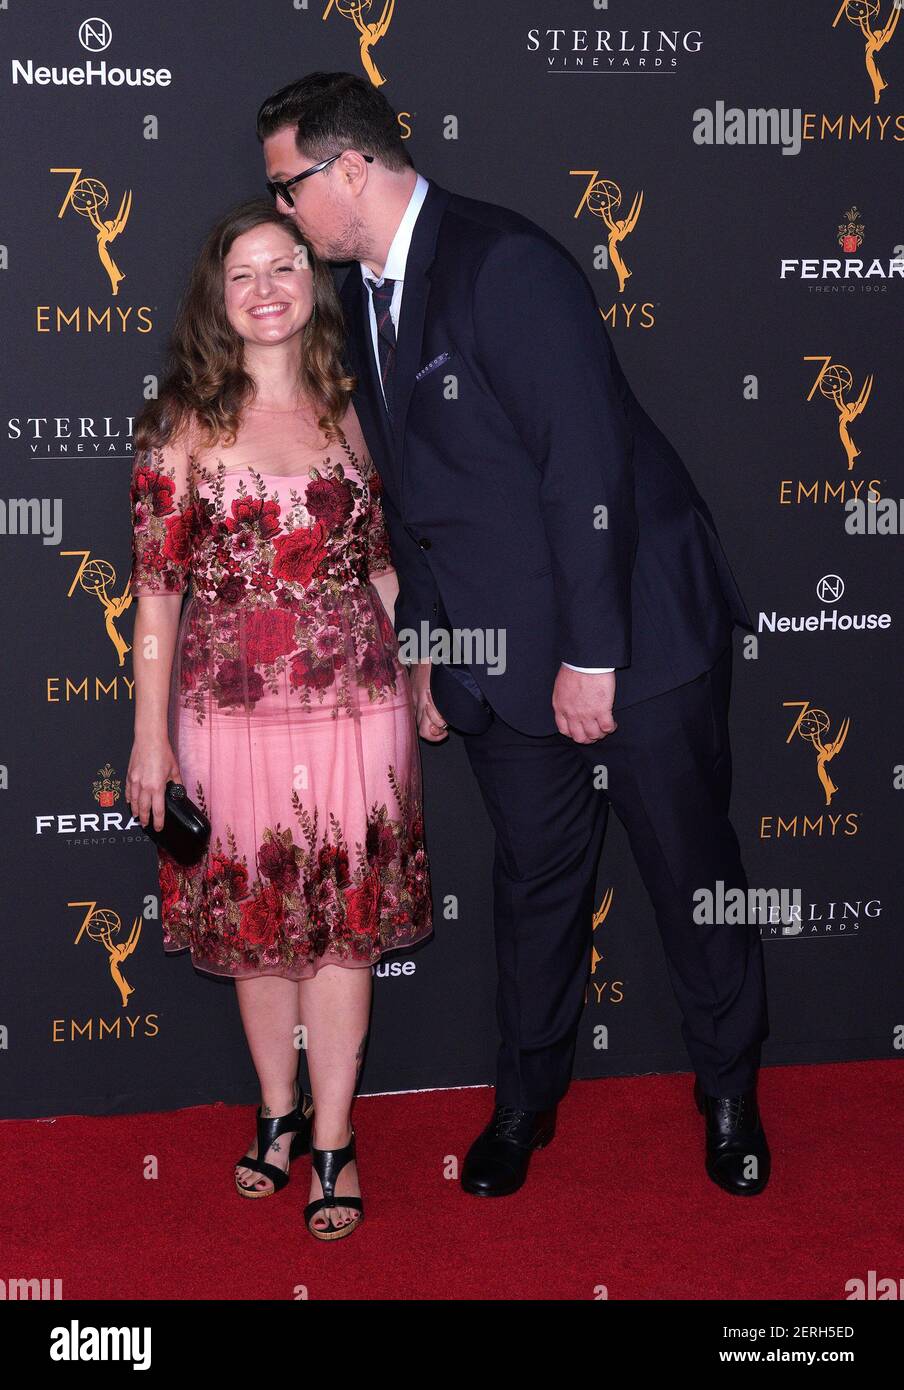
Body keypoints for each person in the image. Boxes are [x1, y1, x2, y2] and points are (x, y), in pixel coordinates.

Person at [256, 72, 771, 1199]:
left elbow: (585, 471)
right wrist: (433, 645)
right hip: (496, 654)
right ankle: (525, 1108)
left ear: (348, 170)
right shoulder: (368, 298)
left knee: (692, 874)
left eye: (288, 189)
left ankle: (728, 1092)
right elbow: (421, 503)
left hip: (629, 633)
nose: (283, 216)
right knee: (535, 886)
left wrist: (591, 655)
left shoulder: (506, 265)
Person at [126, 199, 432, 1241]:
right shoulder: (181, 423)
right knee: (262, 933)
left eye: (285, 268)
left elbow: (386, 565)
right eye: (244, 273)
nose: (266, 289)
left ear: (313, 285)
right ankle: (277, 1112)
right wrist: (149, 737)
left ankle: (335, 1140)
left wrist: (428, 675)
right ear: (218, 296)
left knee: (344, 933)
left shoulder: (355, 406)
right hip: (231, 712)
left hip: (359, 705)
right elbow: (156, 592)